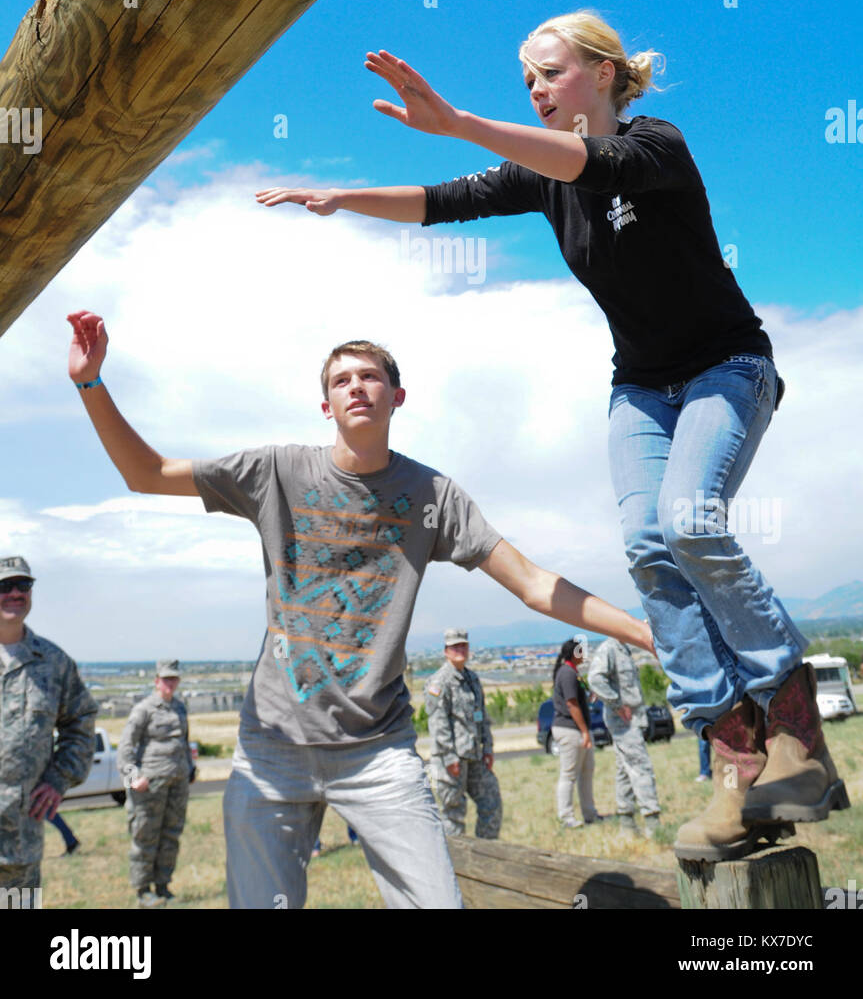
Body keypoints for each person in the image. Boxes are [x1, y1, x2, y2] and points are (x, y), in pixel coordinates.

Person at [254, 10, 848, 860]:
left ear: (602, 73)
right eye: (525, 80)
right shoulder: (541, 179)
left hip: (726, 367)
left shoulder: (656, 146)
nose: (535, 89)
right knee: (647, 545)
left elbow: (581, 158)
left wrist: (454, 120)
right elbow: (442, 202)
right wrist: (341, 197)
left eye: (550, 72)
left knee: (687, 519)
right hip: (640, 388)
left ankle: (797, 740)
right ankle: (734, 764)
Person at [68, 311, 654, 910]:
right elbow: (146, 474)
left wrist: (640, 630)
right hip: (273, 747)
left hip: (377, 749)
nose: (355, 386)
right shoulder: (277, 472)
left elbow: (532, 583)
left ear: (396, 397)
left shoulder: (433, 497)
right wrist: (91, 383)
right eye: (341, 380)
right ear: (326, 405)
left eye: (369, 376)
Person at [0, 556, 96, 906]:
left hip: (19, 844)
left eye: (23, 585)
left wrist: (59, 779)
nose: (14, 593)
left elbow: (81, 722)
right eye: (4, 586)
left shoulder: (53, 663)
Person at [117, 658, 195, 908]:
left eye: (174, 678)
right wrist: (132, 778)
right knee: (145, 836)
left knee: (171, 834)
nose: (170, 683)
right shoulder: (145, 709)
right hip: (150, 784)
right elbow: (126, 746)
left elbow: (184, 741)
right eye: (166, 679)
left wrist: (190, 769)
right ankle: (143, 890)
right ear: (156, 681)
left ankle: (163, 884)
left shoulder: (180, 708)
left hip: (177, 781)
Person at [424, 629, 501, 838]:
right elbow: (438, 722)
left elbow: (482, 717)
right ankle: (456, 865)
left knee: (491, 802)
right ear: (446, 651)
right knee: (453, 814)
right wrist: (449, 756)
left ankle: (486, 854)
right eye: (455, 646)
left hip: (475, 755)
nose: (460, 650)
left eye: (463, 646)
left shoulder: (472, 679)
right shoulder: (439, 682)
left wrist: (489, 748)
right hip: (452, 759)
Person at [588, 636, 660, 836]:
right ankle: (652, 822)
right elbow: (595, 679)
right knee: (640, 765)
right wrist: (617, 704)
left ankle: (627, 822)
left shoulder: (623, 649)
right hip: (623, 721)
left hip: (632, 718)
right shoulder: (609, 648)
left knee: (625, 770)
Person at [550, 636, 601, 829]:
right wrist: (584, 731)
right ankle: (566, 816)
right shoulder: (567, 674)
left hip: (578, 730)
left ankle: (590, 813)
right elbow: (571, 704)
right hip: (570, 729)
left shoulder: (573, 673)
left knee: (587, 771)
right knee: (569, 774)